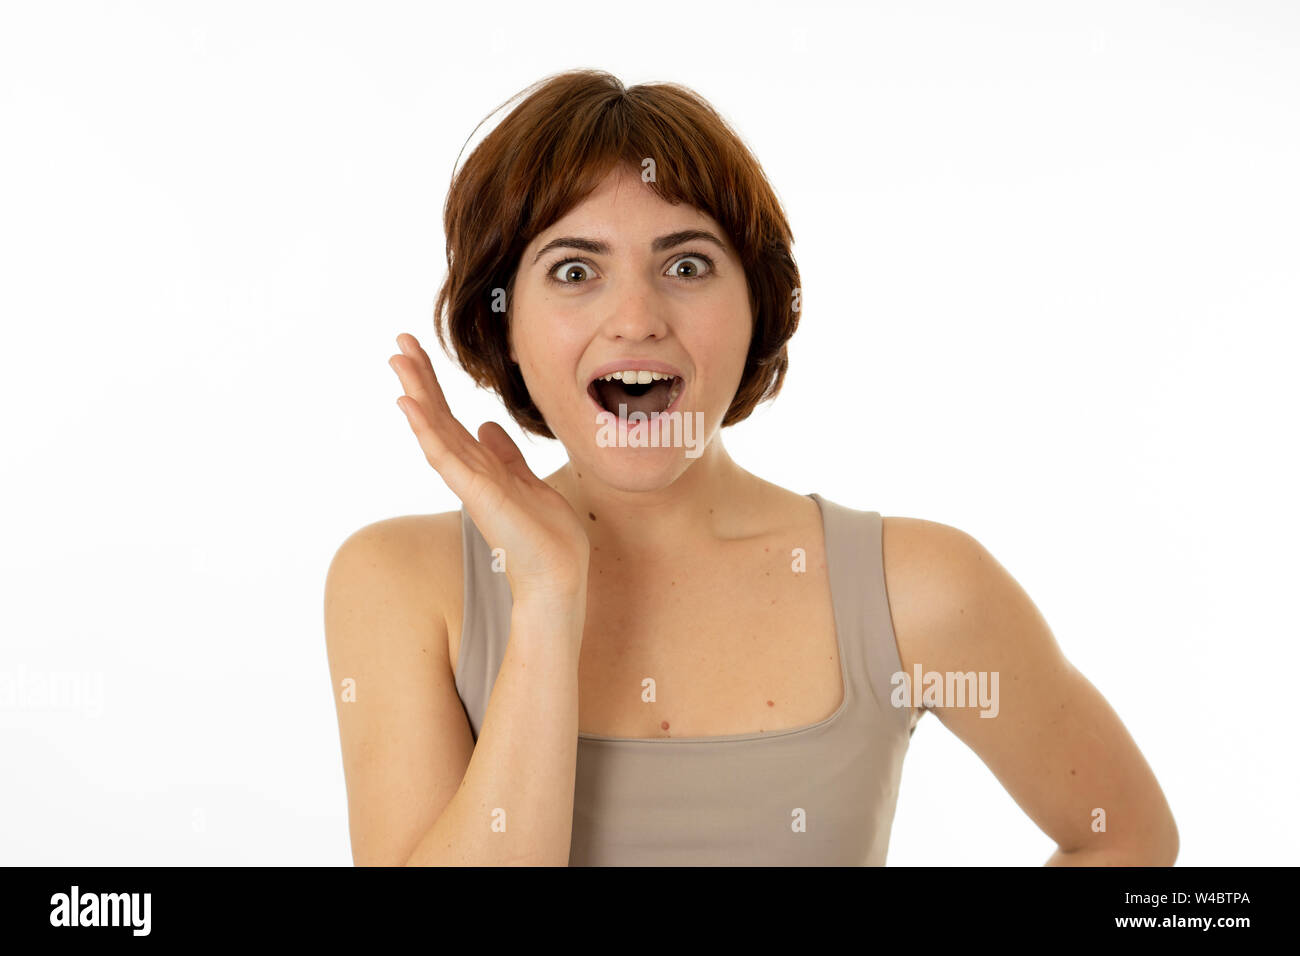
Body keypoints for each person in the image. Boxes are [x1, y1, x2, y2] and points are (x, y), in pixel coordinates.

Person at [323, 69, 1179, 866]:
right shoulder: (403, 583)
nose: (637, 318)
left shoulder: (918, 586)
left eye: (686, 265)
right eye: (575, 270)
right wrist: (547, 601)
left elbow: (1129, 840)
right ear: (502, 321)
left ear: (756, 304)